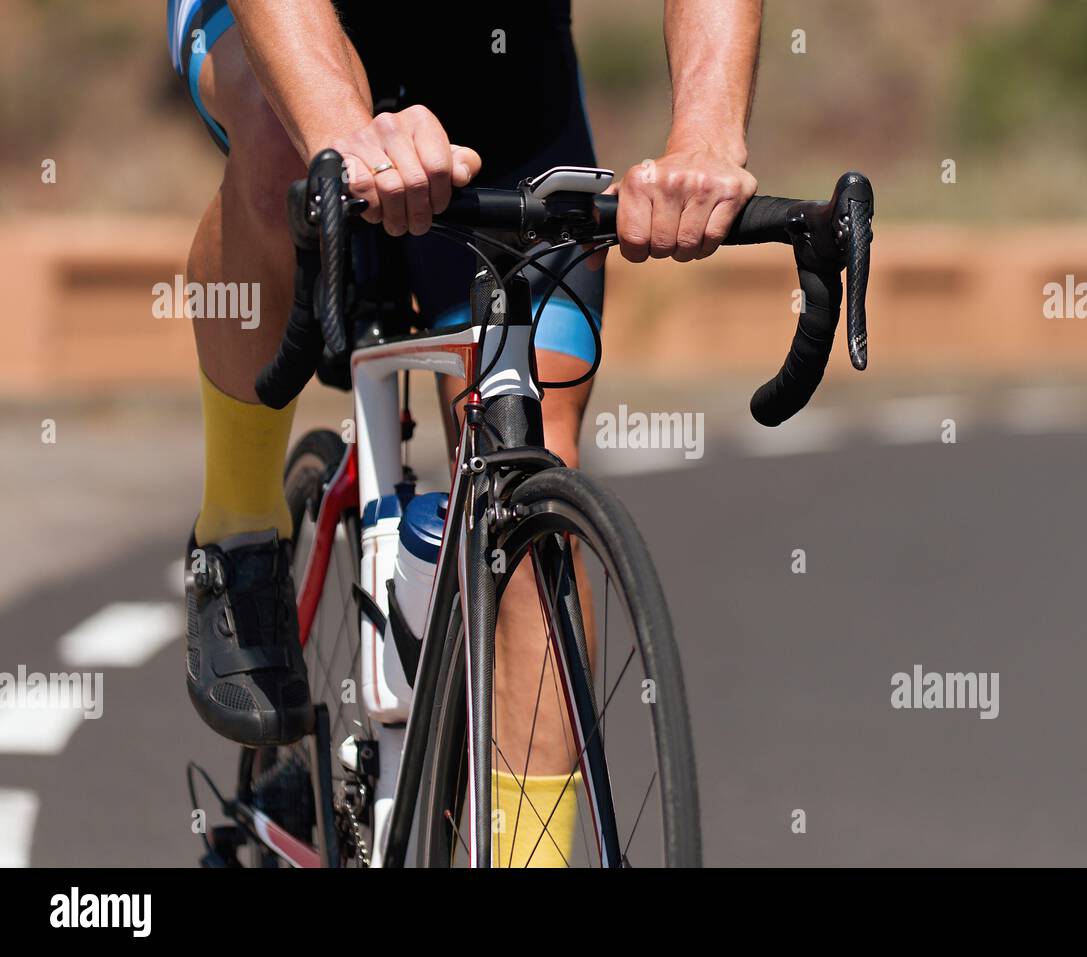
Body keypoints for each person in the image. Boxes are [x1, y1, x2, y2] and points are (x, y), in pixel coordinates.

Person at [171, 0, 760, 865]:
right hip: (284, 26)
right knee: (280, 145)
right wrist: (342, 128)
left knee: (534, 440)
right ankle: (236, 530)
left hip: (499, 54)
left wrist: (706, 135)